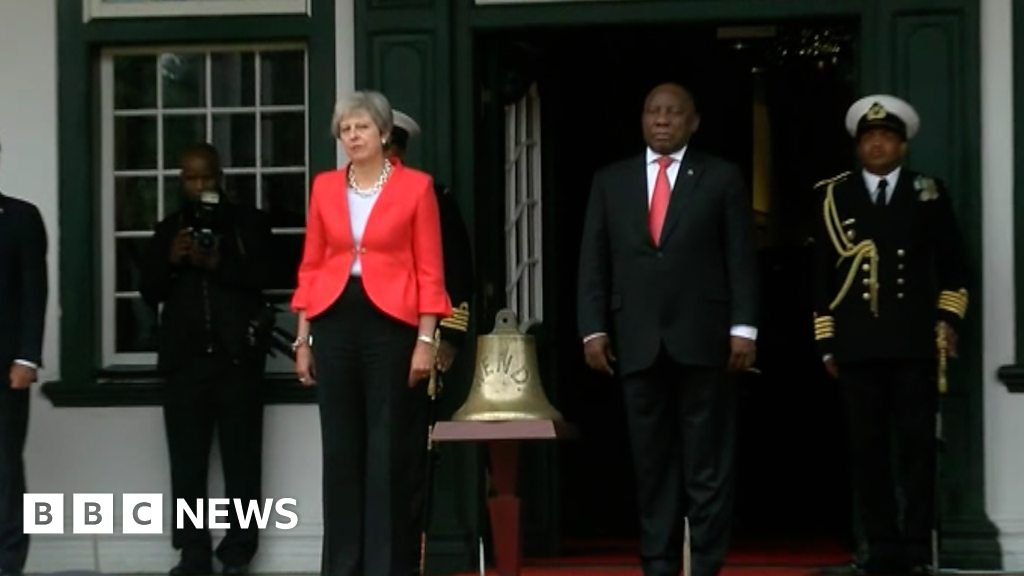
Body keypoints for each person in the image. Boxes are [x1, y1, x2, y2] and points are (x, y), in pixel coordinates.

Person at [577, 82, 758, 576]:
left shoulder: (721, 177)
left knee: (707, 464)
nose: (662, 119)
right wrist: (593, 330)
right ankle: (656, 561)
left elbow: (740, 257)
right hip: (636, 340)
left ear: (693, 121)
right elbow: (594, 261)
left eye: (673, 112)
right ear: (641, 119)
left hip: (705, 338)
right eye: (653, 111)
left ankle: (704, 562)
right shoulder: (610, 181)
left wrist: (744, 327)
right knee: (651, 463)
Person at [291, 91, 451, 576]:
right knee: (340, 449)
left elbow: (430, 269)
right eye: (345, 129)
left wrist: (426, 340)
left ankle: (388, 566)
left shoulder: (416, 188)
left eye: (361, 127)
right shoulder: (323, 188)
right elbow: (312, 264)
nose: (353, 137)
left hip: (392, 324)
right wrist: (303, 339)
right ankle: (343, 566)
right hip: (334, 318)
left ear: (384, 133)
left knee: (387, 451)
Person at [811, 95, 968, 575]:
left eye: (886, 136)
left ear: (902, 145)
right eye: (869, 137)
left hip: (914, 344)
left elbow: (955, 267)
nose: (877, 143)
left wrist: (948, 321)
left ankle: (917, 549)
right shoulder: (834, 196)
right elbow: (821, 273)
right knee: (867, 450)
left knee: (917, 451)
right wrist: (826, 340)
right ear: (859, 146)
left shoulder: (929, 193)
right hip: (857, 346)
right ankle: (880, 548)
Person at [140, 142, 272, 576]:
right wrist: (172, 260)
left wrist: (218, 262)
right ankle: (193, 552)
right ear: (181, 181)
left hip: (238, 364)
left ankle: (238, 553)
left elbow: (266, 277)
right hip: (185, 366)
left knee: (242, 466)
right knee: (188, 467)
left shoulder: (247, 225)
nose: (199, 186)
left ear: (221, 177)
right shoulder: (167, 230)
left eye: (206, 177)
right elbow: (149, 292)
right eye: (191, 178)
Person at [0, 140, 48, 576]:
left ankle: (7, 564)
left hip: (4, 369)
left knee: (5, 470)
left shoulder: (20, 218)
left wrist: (27, 359)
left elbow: (35, 294)